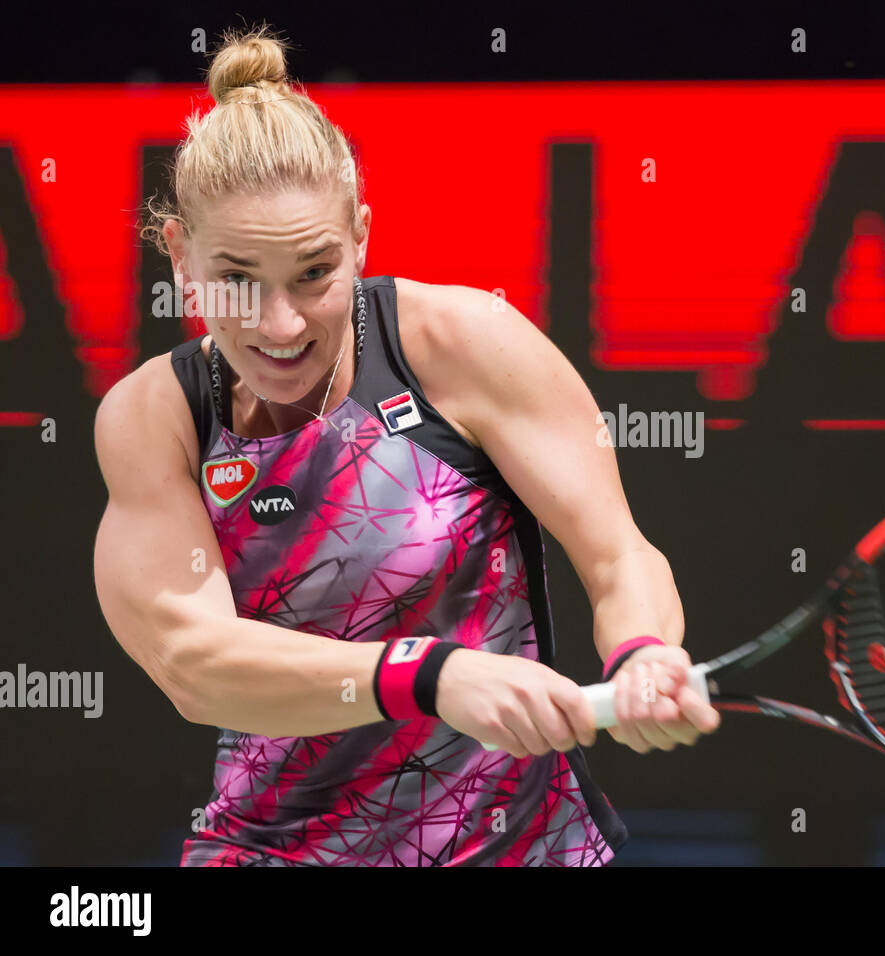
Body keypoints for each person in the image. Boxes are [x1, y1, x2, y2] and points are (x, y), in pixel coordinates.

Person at [92, 24, 719, 866]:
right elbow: (194, 665)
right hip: (268, 851)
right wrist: (431, 675)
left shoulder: (461, 343)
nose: (280, 326)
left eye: (315, 273)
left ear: (360, 236)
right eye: (237, 278)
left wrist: (644, 653)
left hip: (524, 850)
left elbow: (619, 558)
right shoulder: (155, 418)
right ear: (181, 257)